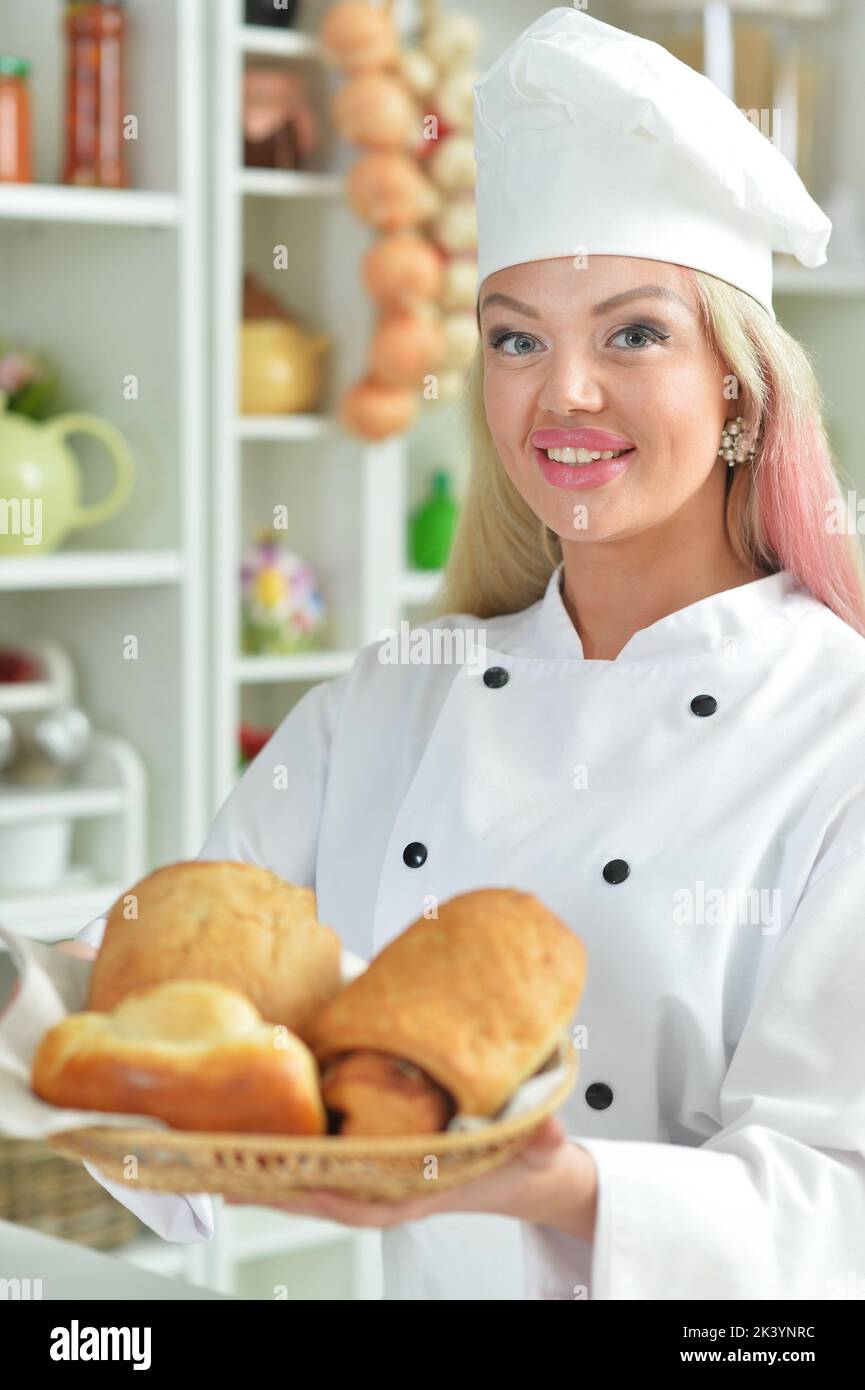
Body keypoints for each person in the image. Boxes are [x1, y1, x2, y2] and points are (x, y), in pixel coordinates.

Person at [65, 7, 865, 1299]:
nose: (564, 393)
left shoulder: (837, 728)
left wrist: (557, 1187)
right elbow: (174, 993)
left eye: (633, 332)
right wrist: (38, 998)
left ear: (739, 381)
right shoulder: (393, 700)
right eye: (515, 338)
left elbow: (837, 1203)